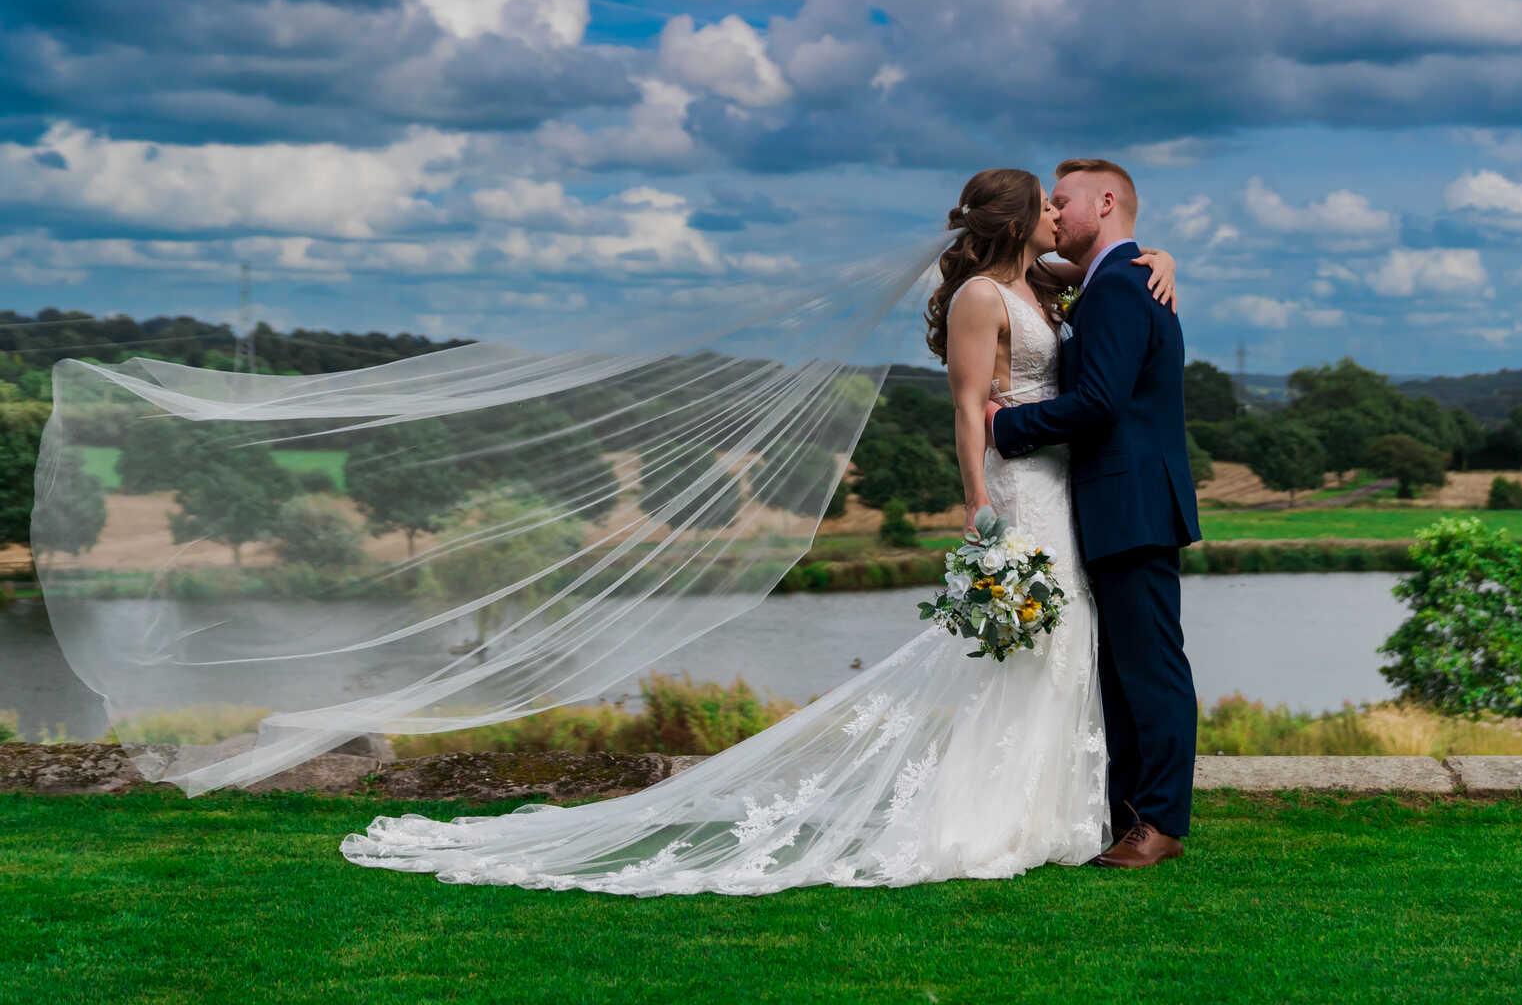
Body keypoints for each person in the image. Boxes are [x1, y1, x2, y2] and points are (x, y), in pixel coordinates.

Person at [338, 167, 1180, 896]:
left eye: (1063, 203)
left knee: (1062, 644)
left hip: (1064, 491)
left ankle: (1062, 814)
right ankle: (998, 816)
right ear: (1017, 220)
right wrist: (974, 501)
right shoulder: (981, 295)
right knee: (1027, 650)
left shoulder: (1049, 285)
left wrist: (1160, 257)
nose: (1056, 216)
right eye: (1046, 205)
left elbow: (1104, 280)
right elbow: (969, 410)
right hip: (1020, 486)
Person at [988, 157, 1201, 868]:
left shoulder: (1115, 285)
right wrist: (1155, 252)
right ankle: (1129, 815)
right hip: (1126, 499)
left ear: (1105, 202)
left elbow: (1101, 402)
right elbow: (1030, 260)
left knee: (1151, 668)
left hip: (1130, 499)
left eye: (1062, 201)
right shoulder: (1116, 276)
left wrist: (1005, 427)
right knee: (1124, 672)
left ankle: (1162, 823)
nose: (1051, 214)